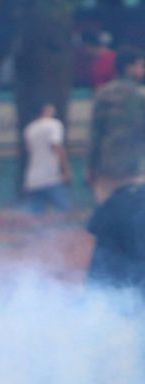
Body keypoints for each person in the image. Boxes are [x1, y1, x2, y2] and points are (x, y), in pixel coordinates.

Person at [88, 46, 145, 205]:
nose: (143, 70)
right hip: (135, 168)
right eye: (141, 66)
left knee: (109, 213)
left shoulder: (103, 94)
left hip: (107, 166)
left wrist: (91, 166)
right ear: (129, 68)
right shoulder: (140, 96)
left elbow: (96, 133)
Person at [86, 173, 145, 296]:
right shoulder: (129, 198)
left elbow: (93, 226)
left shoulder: (117, 197)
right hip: (126, 280)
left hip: (105, 281)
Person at [23, 102, 72, 219]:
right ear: (47, 111)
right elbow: (57, 146)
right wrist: (66, 171)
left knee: (37, 219)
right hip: (50, 177)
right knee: (67, 214)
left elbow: (30, 150)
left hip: (32, 179)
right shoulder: (54, 124)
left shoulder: (29, 129)